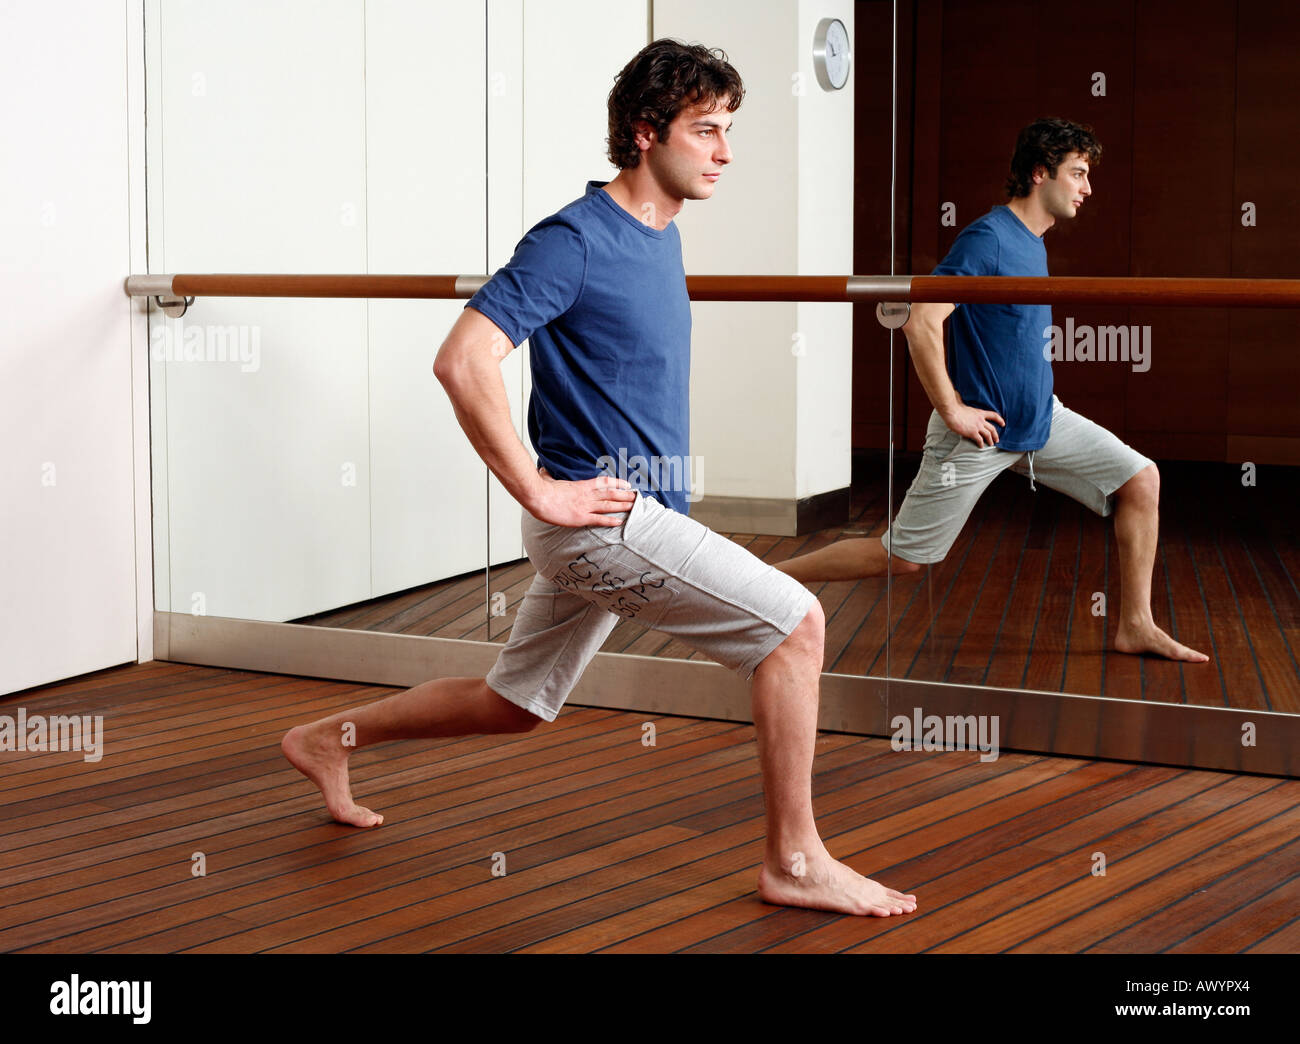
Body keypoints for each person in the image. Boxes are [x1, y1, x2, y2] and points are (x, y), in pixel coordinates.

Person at [281, 39, 917, 918]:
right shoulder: (573, 240)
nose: (725, 152)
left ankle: (326, 737)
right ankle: (794, 861)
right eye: (706, 131)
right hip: (601, 522)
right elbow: (463, 360)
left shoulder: (660, 233)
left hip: (620, 516)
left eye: (729, 130)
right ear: (646, 132)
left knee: (515, 705)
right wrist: (539, 493)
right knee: (794, 626)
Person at [778, 117, 1208, 664]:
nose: (1087, 187)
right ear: (1038, 173)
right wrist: (953, 409)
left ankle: (1136, 625)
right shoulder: (990, 238)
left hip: (1041, 421)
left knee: (1141, 479)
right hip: (982, 435)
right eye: (1077, 173)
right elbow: (921, 319)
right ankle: (767, 577)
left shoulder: (1032, 241)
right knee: (903, 559)